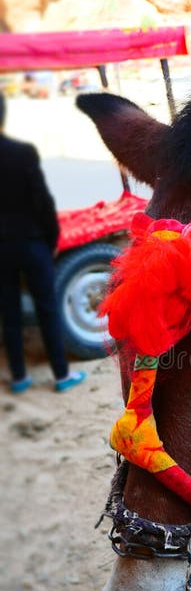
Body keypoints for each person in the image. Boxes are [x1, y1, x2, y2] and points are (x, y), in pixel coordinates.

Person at [0, 92, 86, 393]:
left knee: (8, 312)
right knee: (48, 309)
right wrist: (51, 238)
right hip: (32, 242)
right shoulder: (22, 152)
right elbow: (42, 201)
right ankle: (61, 376)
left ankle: (20, 377)